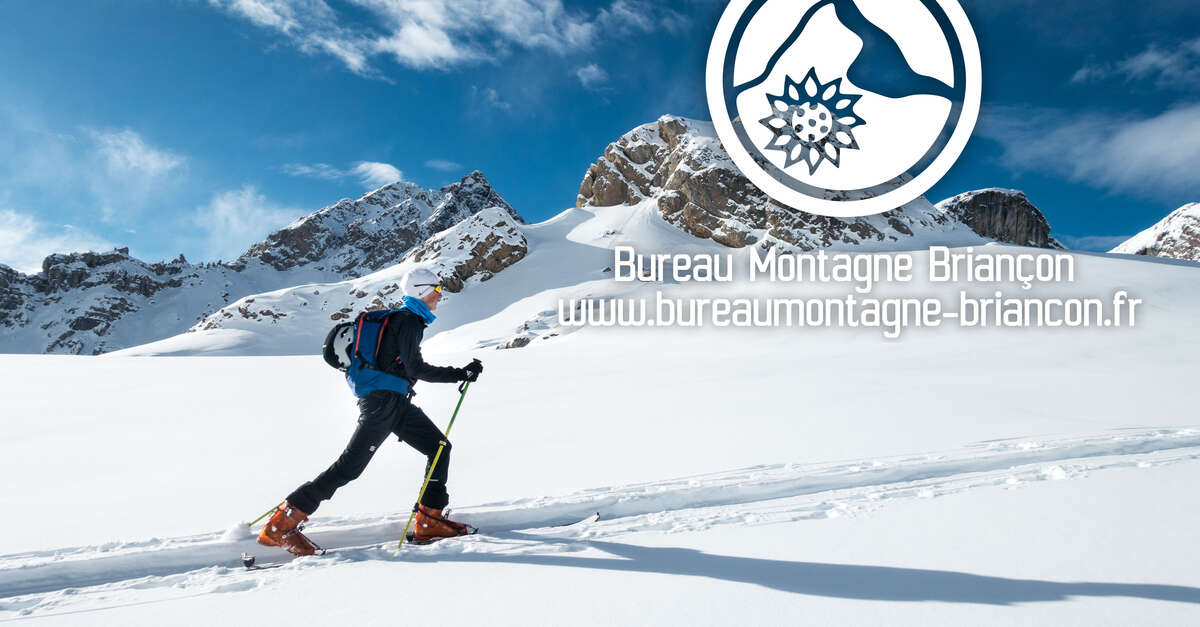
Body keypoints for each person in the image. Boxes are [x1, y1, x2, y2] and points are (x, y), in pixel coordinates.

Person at [258, 267, 484, 555]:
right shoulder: (409, 321)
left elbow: (402, 366)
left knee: (439, 447)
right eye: (436, 290)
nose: (440, 296)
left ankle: (430, 522)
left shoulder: (402, 320)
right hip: (383, 403)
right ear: (421, 291)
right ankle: (282, 524)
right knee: (349, 467)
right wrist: (459, 373)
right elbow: (417, 368)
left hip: (394, 401)